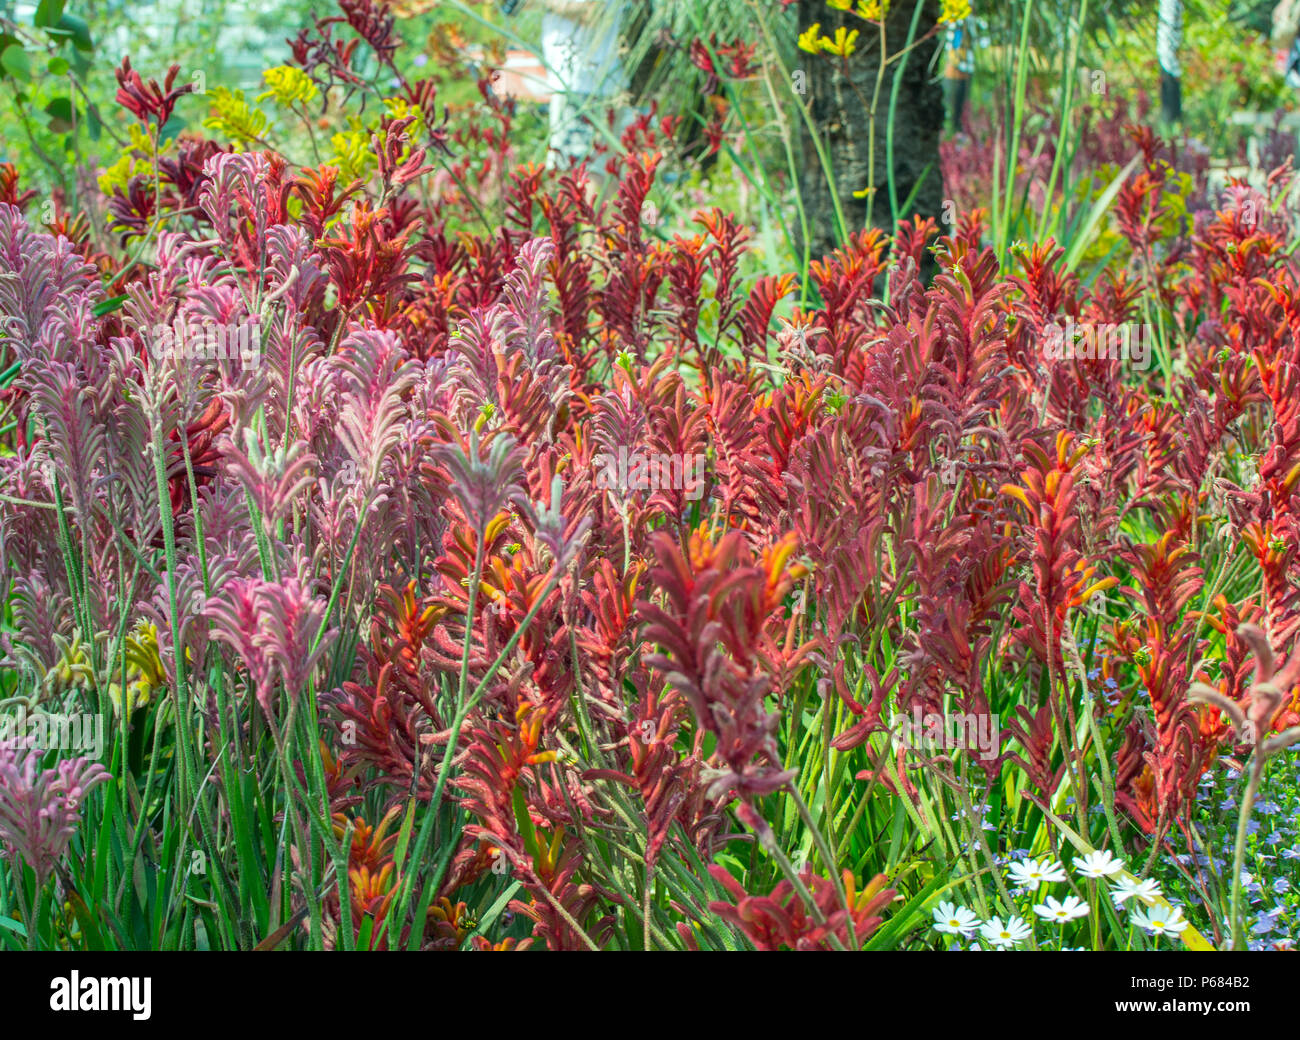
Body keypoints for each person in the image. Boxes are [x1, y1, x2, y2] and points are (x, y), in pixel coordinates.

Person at [537, 0, 629, 170]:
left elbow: (592, 11)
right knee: (603, 169)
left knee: (580, 172)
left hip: (583, 83)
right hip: (589, 81)